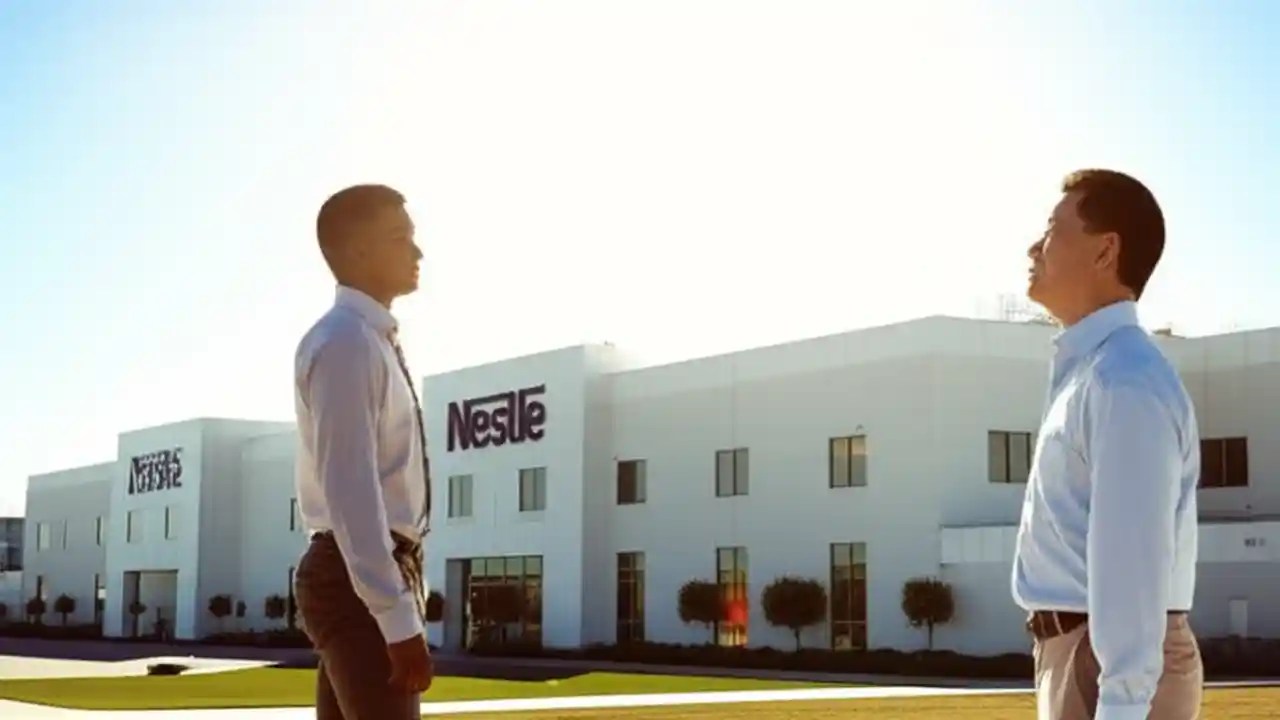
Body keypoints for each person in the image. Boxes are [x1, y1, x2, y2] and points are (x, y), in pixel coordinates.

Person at [1013, 169, 1203, 720]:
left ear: (1105, 251)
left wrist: (1120, 704)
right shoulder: (1097, 373)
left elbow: (1132, 559)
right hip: (1088, 655)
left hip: (1106, 663)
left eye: (1052, 229)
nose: (1035, 246)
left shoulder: (1124, 381)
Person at [292, 183, 434, 719]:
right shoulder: (347, 344)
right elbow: (351, 491)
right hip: (357, 582)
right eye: (401, 238)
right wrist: (397, 620)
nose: (417, 252)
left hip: (361, 575)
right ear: (358, 252)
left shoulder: (366, 340)